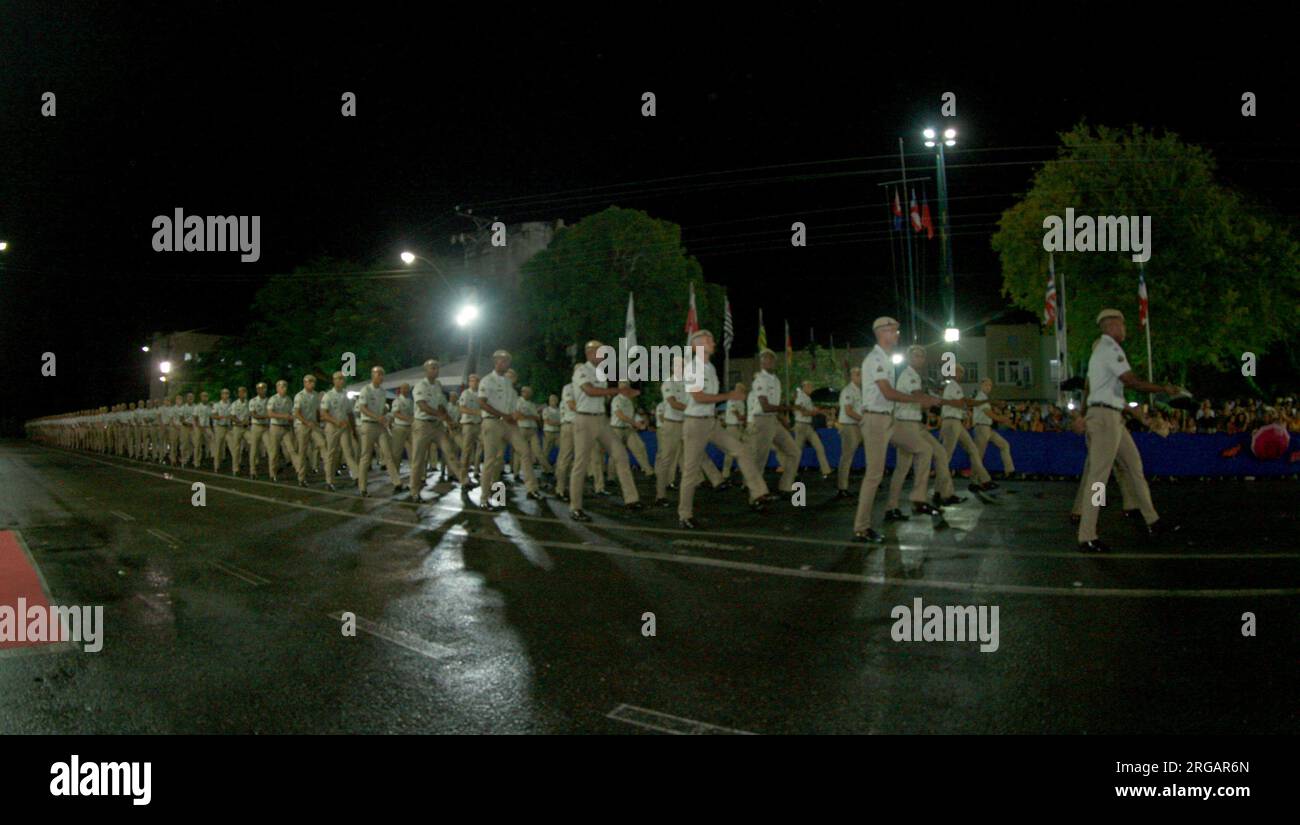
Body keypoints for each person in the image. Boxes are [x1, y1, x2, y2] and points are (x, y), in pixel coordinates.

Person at [1077, 308, 1182, 553]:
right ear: (1111, 325)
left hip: (1110, 417)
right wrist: (1163, 389)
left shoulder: (1101, 354)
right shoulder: (1110, 349)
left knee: (1134, 467)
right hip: (1105, 420)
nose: (1124, 329)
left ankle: (1152, 520)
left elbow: (1108, 393)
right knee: (1098, 479)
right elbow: (1131, 381)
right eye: (1122, 325)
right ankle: (1087, 534)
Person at [852, 318, 946, 544]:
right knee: (874, 476)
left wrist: (922, 399)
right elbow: (888, 393)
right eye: (894, 331)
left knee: (924, 449)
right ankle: (861, 528)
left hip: (889, 419)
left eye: (897, 330)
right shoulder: (875, 359)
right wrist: (921, 400)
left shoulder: (886, 359)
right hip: (875, 420)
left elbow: (891, 395)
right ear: (882, 332)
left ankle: (917, 498)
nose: (897, 334)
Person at [677, 330, 773, 528]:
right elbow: (699, 397)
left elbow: (709, 398)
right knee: (690, 471)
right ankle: (684, 515)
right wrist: (730, 396)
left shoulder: (710, 367)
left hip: (710, 422)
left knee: (741, 450)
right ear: (698, 345)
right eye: (709, 339)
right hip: (695, 424)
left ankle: (758, 494)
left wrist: (728, 396)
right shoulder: (692, 368)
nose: (714, 342)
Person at [885, 345, 964, 521]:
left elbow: (921, 399)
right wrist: (934, 400)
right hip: (905, 424)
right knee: (922, 454)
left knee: (939, 453)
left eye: (921, 356)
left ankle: (942, 493)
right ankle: (917, 500)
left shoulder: (915, 376)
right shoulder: (909, 375)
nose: (919, 358)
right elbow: (918, 396)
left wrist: (934, 400)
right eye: (915, 355)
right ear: (908, 357)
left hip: (914, 424)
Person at [568, 340, 643, 522]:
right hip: (584, 419)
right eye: (599, 352)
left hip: (601, 419)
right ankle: (575, 507)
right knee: (581, 463)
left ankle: (631, 499)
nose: (602, 355)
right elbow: (590, 391)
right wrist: (620, 390)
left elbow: (603, 396)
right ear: (589, 353)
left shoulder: (601, 373)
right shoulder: (581, 371)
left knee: (620, 454)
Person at [478, 350, 544, 510]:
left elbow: (513, 407)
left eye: (507, 361)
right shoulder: (487, 380)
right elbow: (482, 402)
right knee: (491, 461)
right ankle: (485, 498)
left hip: (510, 425)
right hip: (492, 422)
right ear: (496, 362)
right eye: (502, 361)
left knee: (525, 452)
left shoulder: (509, 385)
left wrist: (515, 415)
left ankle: (532, 489)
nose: (505, 363)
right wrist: (503, 415)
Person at [409, 359, 472, 498]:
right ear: (426, 370)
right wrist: (441, 416)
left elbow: (442, 405)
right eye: (432, 368)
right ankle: (414, 491)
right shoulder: (420, 386)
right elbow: (422, 406)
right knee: (418, 459)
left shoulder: (438, 385)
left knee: (449, 452)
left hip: (437, 426)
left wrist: (449, 421)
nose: (436, 370)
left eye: (437, 368)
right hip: (422, 425)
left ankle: (464, 480)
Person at [747, 349, 800, 495]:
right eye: (764, 359)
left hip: (773, 420)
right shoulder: (760, 380)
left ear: (773, 361)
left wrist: (782, 419)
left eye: (770, 359)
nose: (767, 362)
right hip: (762, 420)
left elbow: (774, 406)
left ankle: (785, 485)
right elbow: (765, 406)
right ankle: (755, 495)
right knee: (760, 459)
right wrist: (789, 407)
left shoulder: (775, 380)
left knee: (794, 452)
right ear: (761, 362)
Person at [939, 365, 996, 492]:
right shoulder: (952, 386)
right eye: (958, 371)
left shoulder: (957, 387)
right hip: (951, 421)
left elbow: (965, 403)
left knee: (973, 450)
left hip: (956, 421)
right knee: (946, 456)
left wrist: (971, 404)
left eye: (962, 372)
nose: (961, 374)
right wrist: (972, 402)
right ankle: (940, 489)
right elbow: (963, 403)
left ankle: (984, 480)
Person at [356, 366, 403, 496]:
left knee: (388, 454)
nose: (381, 377)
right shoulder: (365, 390)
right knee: (366, 456)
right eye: (378, 374)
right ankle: (362, 488)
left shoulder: (382, 392)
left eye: (382, 374)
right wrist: (377, 417)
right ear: (373, 375)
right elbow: (362, 408)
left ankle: (397, 482)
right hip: (368, 425)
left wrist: (386, 417)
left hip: (380, 426)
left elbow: (382, 409)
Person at [319, 371, 361, 492]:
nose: (342, 381)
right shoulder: (328, 395)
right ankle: (329, 481)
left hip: (344, 427)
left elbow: (350, 413)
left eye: (343, 379)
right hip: (332, 427)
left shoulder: (344, 395)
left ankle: (357, 476)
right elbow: (324, 413)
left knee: (348, 452)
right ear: (334, 380)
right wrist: (335, 421)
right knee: (331, 454)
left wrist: (353, 430)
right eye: (339, 378)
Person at [972, 377, 1017, 479]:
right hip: (981, 427)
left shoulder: (985, 398)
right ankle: (975, 479)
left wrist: (1003, 419)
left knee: (1004, 445)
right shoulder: (980, 397)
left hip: (987, 427)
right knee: (979, 455)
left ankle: (1009, 471)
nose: (989, 387)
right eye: (986, 385)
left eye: (990, 385)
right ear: (981, 385)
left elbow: (991, 414)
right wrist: (1003, 419)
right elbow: (989, 414)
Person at [610, 381, 655, 477]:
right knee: (615, 453)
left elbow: (632, 414)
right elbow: (620, 415)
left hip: (628, 429)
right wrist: (635, 424)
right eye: (623, 387)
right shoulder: (616, 400)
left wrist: (640, 421)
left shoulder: (629, 401)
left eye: (626, 387)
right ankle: (611, 477)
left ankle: (649, 472)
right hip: (617, 429)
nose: (625, 389)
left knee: (640, 447)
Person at [291, 374, 328, 488]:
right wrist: (307, 422)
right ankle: (301, 478)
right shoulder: (299, 396)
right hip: (302, 425)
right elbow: (297, 413)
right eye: (309, 382)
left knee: (322, 444)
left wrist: (318, 421)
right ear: (305, 383)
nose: (312, 384)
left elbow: (317, 411)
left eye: (313, 382)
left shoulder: (316, 395)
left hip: (313, 425)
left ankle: (329, 475)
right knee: (303, 451)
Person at [791, 380, 833, 478]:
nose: (811, 389)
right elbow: (804, 413)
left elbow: (811, 410)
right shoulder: (800, 398)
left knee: (819, 447)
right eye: (809, 387)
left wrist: (822, 411)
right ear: (804, 387)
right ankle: (791, 471)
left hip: (808, 426)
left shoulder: (808, 398)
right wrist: (817, 412)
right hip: (801, 426)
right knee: (797, 450)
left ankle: (826, 471)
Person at [834, 368, 864, 499]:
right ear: (852, 376)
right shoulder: (848, 390)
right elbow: (848, 411)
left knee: (871, 450)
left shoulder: (859, 390)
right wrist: (865, 420)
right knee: (847, 456)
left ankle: (872, 480)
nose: (860, 377)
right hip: (849, 425)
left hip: (858, 425)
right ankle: (842, 487)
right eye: (857, 374)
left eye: (861, 374)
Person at [265, 380, 296, 482]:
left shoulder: (288, 399)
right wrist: (283, 416)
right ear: (277, 388)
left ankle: (299, 471)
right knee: (274, 452)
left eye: (285, 386)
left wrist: (291, 421)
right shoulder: (273, 399)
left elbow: (291, 413)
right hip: (275, 427)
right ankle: (272, 473)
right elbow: (270, 413)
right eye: (282, 387)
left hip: (286, 427)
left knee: (292, 449)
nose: (284, 388)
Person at [720, 382, 748, 480]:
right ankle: (725, 473)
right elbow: (734, 411)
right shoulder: (733, 398)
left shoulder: (740, 400)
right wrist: (741, 417)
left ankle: (740, 468)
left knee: (743, 449)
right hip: (732, 427)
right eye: (742, 390)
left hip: (739, 427)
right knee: (730, 451)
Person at [247, 382, 271, 478]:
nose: (263, 390)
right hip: (256, 426)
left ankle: (272, 471)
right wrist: (266, 416)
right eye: (261, 388)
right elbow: (254, 414)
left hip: (265, 426)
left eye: (264, 388)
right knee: (254, 449)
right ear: (257, 390)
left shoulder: (269, 401)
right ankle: (252, 471)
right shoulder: (253, 401)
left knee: (270, 449)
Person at [211, 388, 233, 472]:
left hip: (227, 427)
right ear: (221, 395)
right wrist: (222, 417)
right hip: (219, 427)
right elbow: (213, 416)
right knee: (218, 447)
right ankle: (216, 466)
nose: (225, 395)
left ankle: (235, 466)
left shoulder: (230, 405)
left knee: (233, 446)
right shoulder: (217, 405)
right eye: (224, 394)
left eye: (227, 394)